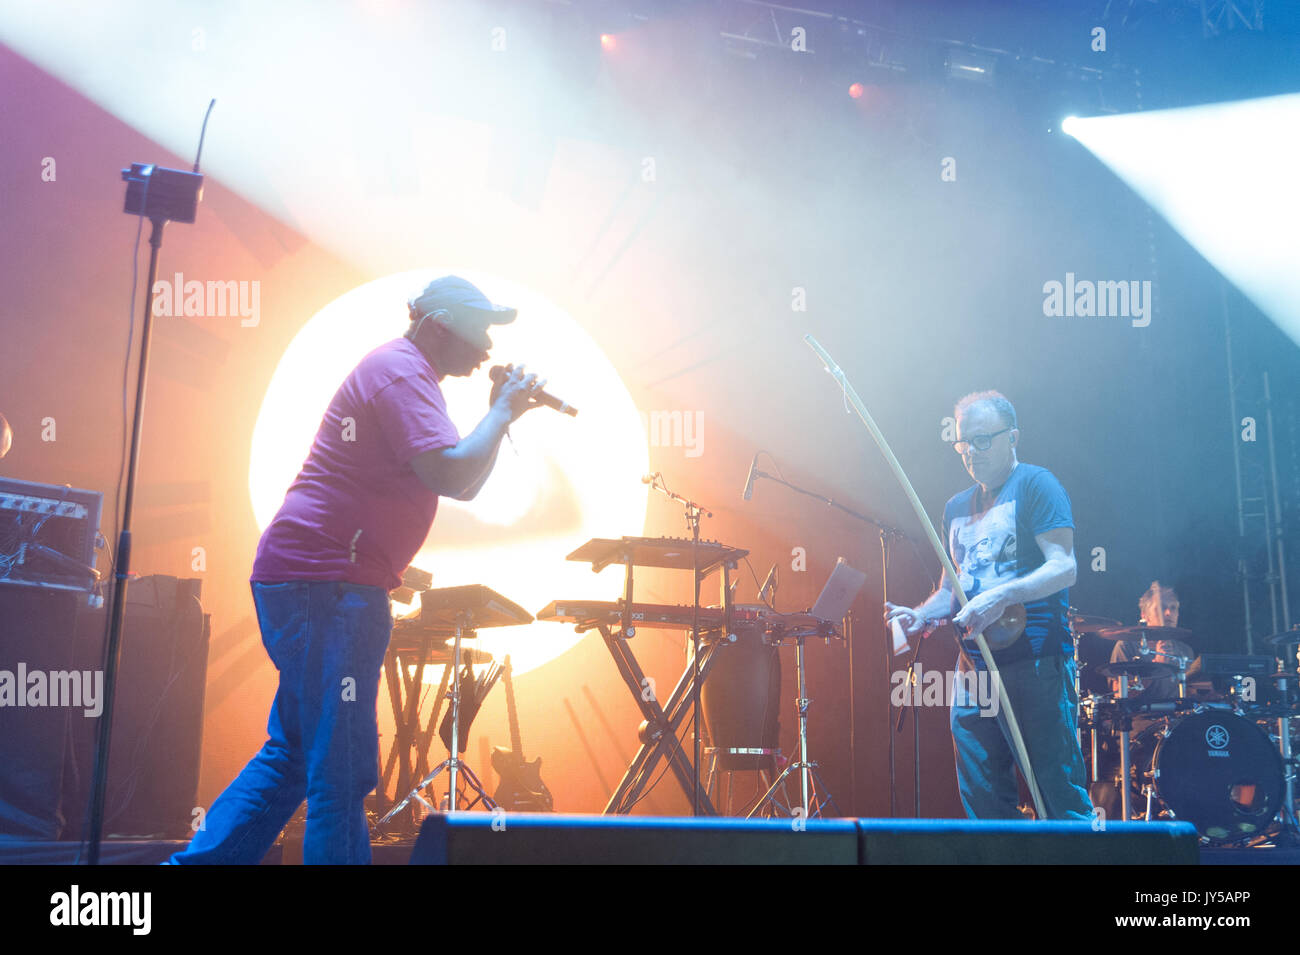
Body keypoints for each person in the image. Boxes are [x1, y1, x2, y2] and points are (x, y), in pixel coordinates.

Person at [167, 275, 545, 864]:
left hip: (315, 580)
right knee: (341, 770)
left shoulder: (407, 372)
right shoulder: (399, 372)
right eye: (478, 335)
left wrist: (503, 417)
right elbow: (449, 474)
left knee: (295, 756)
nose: (487, 351)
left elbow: (464, 485)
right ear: (436, 327)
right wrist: (500, 410)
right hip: (328, 584)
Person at [885, 390, 1092, 820]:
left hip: (1035, 661)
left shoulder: (1037, 485)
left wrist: (1003, 594)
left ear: (1012, 436)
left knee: (1055, 791)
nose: (971, 452)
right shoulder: (955, 507)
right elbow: (951, 588)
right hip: (974, 668)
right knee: (983, 799)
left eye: (983, 440)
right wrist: (921, 614)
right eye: (964, 443)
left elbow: (1064, 567)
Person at [1108, 581, 1193, 702]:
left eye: (1173, 608)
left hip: (1177, 717)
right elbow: (1121, 695)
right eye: (1162, 608)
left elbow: (1190, 692)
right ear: (1145, 615)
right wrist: (1157, 668)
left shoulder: (1184, 651)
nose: (1169, 613)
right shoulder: (1126, 646)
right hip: (1141, 718)